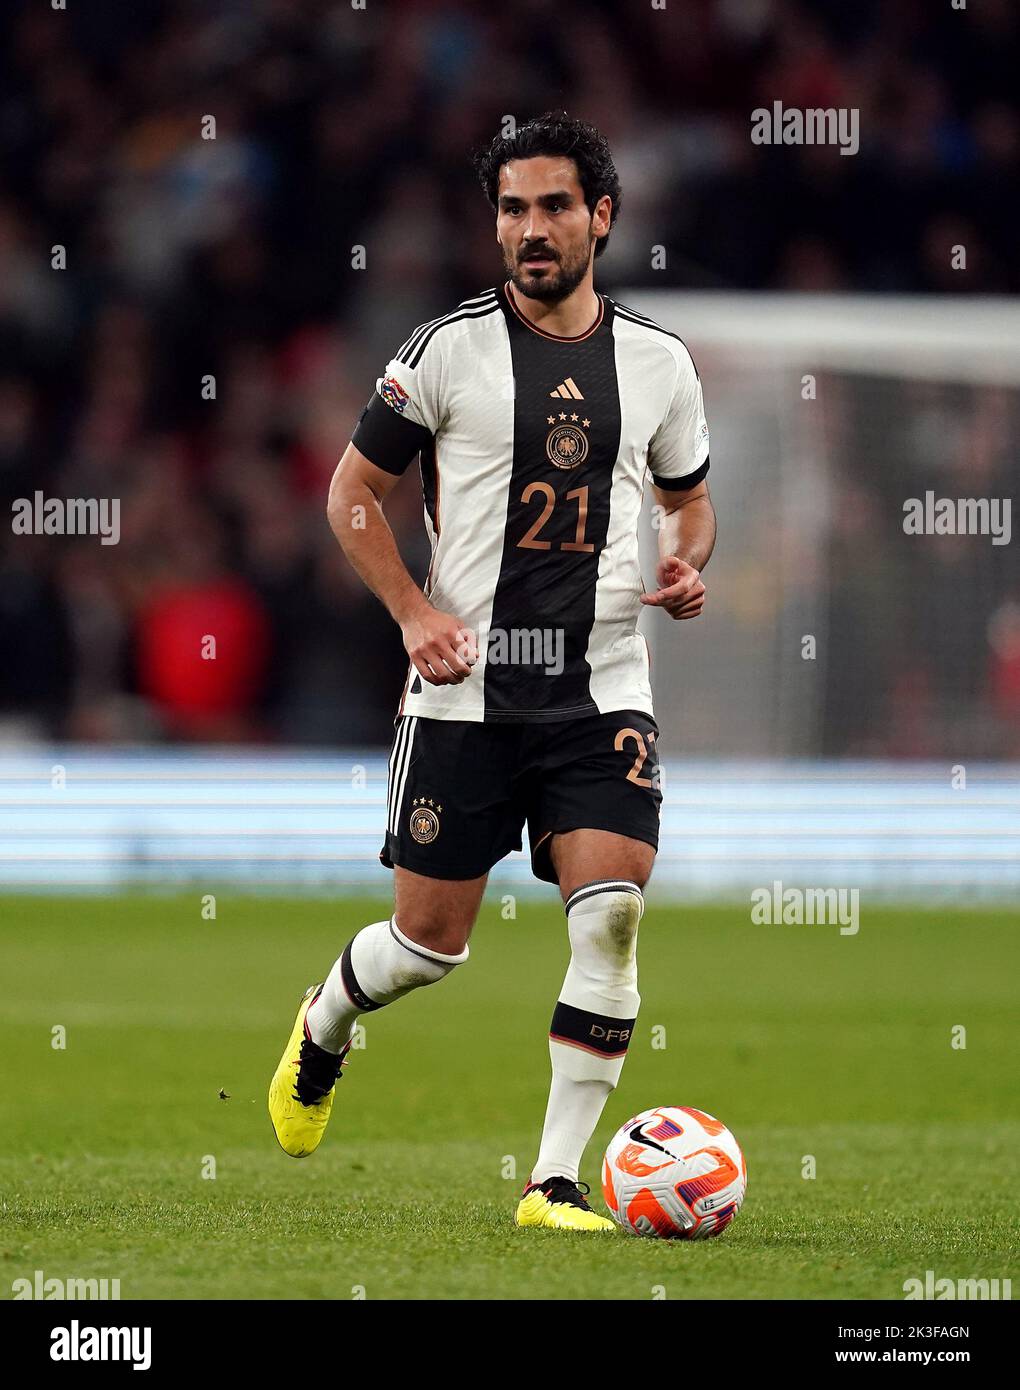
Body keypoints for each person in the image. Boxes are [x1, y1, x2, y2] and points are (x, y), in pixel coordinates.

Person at [269, 112, 717, 1231]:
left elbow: (691, 503)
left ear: (601, 217)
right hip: (465, 693)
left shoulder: (659, 362)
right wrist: (414, 610)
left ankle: (552, 1180)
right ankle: (324, 1021)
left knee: (609, 915)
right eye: (512, 208)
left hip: (601, 685)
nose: (530, 228)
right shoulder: (442, 352)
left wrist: (686, 563)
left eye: (554, 206)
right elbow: (350, 496)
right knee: (428, 946)